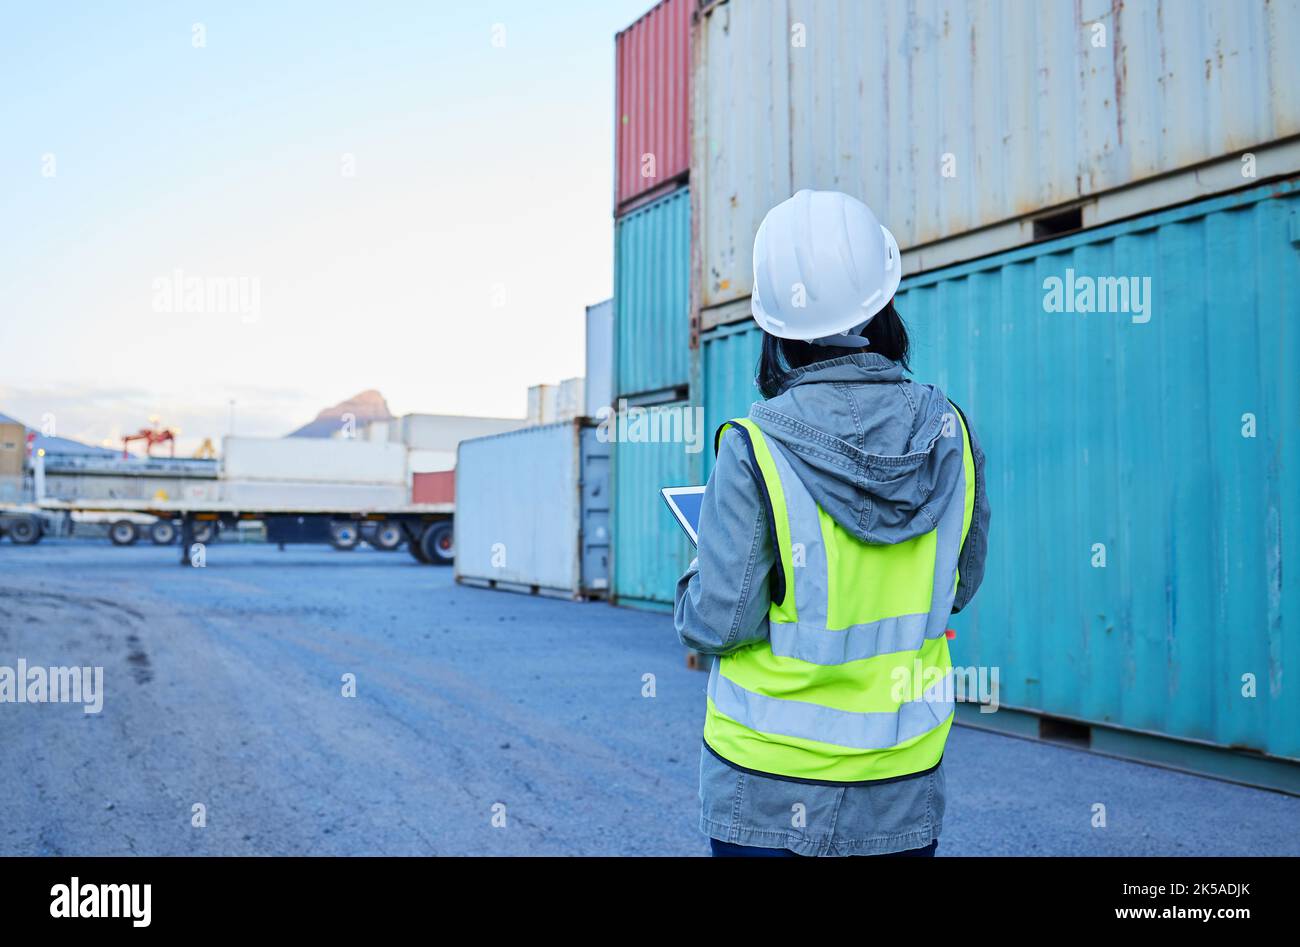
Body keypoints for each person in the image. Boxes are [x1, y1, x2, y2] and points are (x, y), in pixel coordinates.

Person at [675, 189, 991, 857]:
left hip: (765, 779)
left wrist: (697, 576)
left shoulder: (753, 446)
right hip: (900, 777)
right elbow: (957, 585)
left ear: (774, 323)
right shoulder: (950, 434)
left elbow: (718, 622)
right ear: (883, 298)